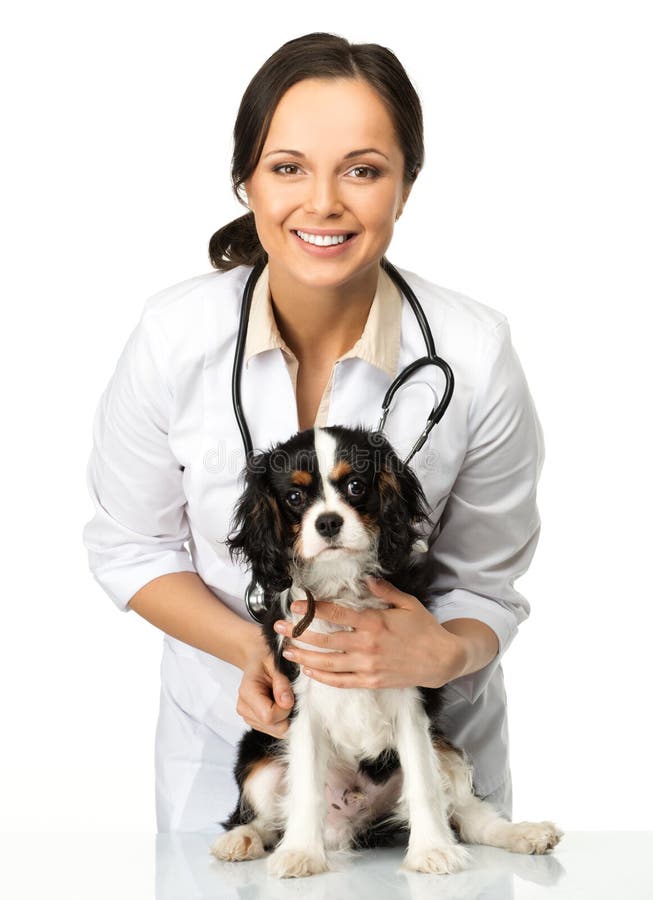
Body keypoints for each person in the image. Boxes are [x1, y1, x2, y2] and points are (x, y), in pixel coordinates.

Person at [82, 32, 545, 834]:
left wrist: (445, 653)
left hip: (422, 758)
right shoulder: (172, 336)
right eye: (287, 167)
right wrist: (249, 648)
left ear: (404, 188)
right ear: (246, 182)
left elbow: (485, 585)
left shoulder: (472, 352)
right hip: (244, 749)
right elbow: (130, 548)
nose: (323, 202)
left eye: (362, 170)